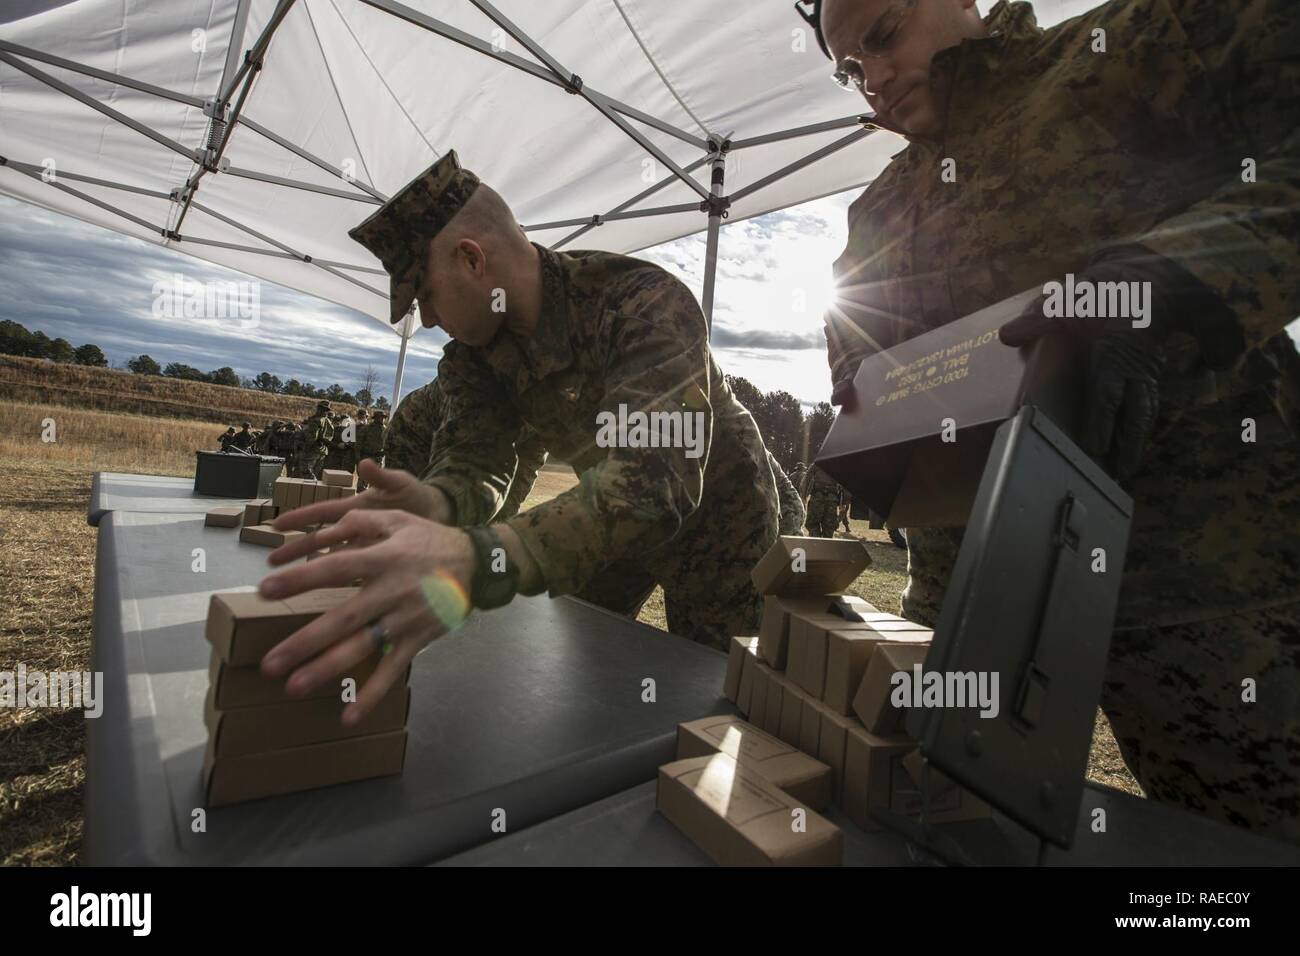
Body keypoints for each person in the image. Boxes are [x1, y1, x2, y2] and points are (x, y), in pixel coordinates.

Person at [804, 0, 1300, 843]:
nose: (873, 83)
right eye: (850, 70)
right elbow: (854, 337)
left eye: (883, 37)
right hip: (976, 598)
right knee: (943, 831)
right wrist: (864, 396)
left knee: (1245, 843)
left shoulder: (1129, 50)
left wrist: (1171, 275)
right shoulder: (881, 209)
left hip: (1208, 587)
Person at [256, 149, 781, 726]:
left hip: (721, 523)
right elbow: (476, 457)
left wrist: (476, 559)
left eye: (425, 294)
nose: (426, 319)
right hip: (602, 520)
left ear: (471, 259)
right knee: (590, 669)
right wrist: (436, 501)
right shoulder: (475, 358)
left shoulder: (642, 306)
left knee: (717, 706)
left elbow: (653, 491)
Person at [385, 377, 546, 520]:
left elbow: (528, 465)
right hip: (415, 430)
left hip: (481, 436)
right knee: (412, 511)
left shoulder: (550, 413)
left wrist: (503, 519)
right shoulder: (480, 385)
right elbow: (456, 467)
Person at [801, 464, 841, 538]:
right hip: (832, 500)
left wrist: (803, 496)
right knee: (829, 527)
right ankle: (826, 546)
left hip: (817, 499)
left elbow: (806, 479)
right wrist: (843, 502)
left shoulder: (816, 465)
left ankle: (816, 545)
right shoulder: (837, 465)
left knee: (813, 525)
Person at [299, 401, 334, 480]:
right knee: (314, 472)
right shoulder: (328, 421)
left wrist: (305, 448)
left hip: (312, 450)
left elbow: (312, 438)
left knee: (306, 472)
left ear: (319, 408)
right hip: (322, 451)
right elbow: (329, 436)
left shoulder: (316, 420)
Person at [355, 409, 387, 491]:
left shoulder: (385, 430)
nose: (383, 419)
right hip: (366, 456)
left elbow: (388, 443)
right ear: (376, 418)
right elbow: (358, 443)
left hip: (378, 459)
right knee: (362, 483)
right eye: (381, 417)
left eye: (384, 418)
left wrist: (385, 452)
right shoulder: (366, 428)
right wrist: (358, 456)